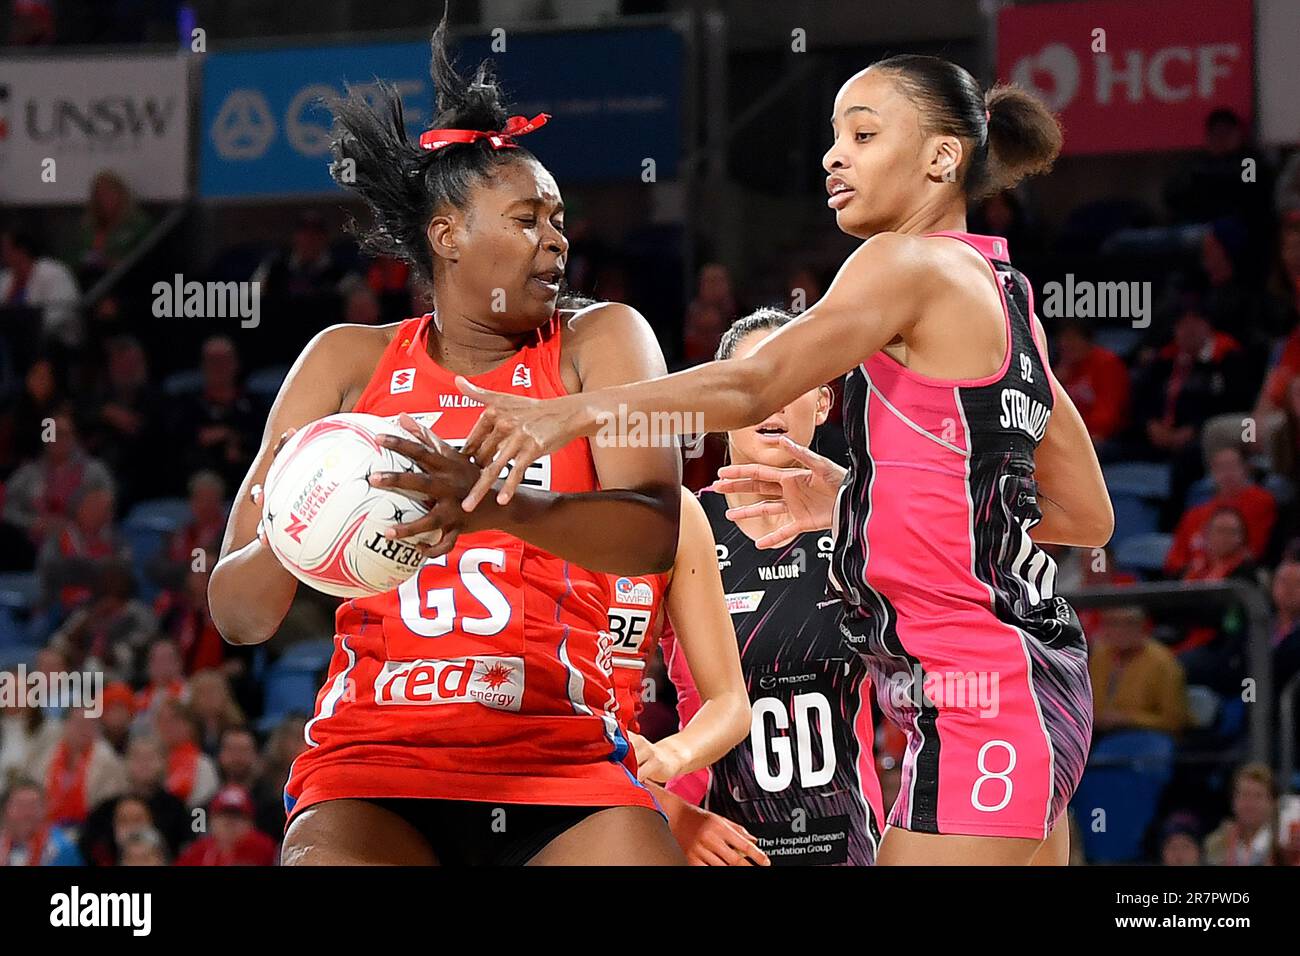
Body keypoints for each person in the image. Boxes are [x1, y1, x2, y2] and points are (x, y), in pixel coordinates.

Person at [456, 55, 1113, 865]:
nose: (834, 155)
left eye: (864, 133)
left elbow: (754, 381)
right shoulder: (1010, 297)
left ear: (944, 158)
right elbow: (1084, 513)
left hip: (981, 690)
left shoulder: (901, 262)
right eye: (834, 135)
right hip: (1023, 679)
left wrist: (574, 411)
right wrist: (854, 500)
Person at [210, 21, 698, 866]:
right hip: (374, 760)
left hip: (560, 752)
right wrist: (305, 528)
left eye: (559, 218)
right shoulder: (343, 360)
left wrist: (488, 507)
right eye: (527, 218)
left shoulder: (606, 341)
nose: (558, 238)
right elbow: (236, 614)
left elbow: (652, 535)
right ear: (447, 237)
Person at [669, 309, 885, 866]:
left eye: (791, 381)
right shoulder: (676, 532)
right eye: (753, 381)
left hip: (850, 841)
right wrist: (667, 812)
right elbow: (602, 686)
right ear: (720, 405)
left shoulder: (863, 525)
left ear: (822, 402)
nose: (773, 401)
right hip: (710, 841)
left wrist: (857, 513)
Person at [601, 487, 761, 866]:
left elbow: (729, 700)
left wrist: (667, 756)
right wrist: (667, 808)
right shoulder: (508, 498)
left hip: (619, 782)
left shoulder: (677, 514)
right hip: (514, 782)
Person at [1086, 607, 1186, 739]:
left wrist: (1127, 719)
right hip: (1095, 735)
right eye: (1113, 623)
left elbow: (1174, 721)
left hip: (1145, 737)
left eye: (1129, 623)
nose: (1120, 630)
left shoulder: (1163, 663)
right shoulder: (1098, 656)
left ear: (1143, 626)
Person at [175, 785, 277, 866]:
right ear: (211, 821)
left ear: (251, 823)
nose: (229, 823)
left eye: (237, 816)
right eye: (223, 815)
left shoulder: (264, 849)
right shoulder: (197, 852)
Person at [1204, 763, 1279, 866]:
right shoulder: (1215, 845)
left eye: (1258, 796)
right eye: (1244, 795)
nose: (1250, 803)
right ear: (1233, 801)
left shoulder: (1284, 846)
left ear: (1272, 803)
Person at [0, 779, 83, 866]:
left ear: (45, 811)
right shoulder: (3, 842)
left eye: (34, 806)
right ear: (5, 810)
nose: (27, 814)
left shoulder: (61, 849)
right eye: (20, 805)